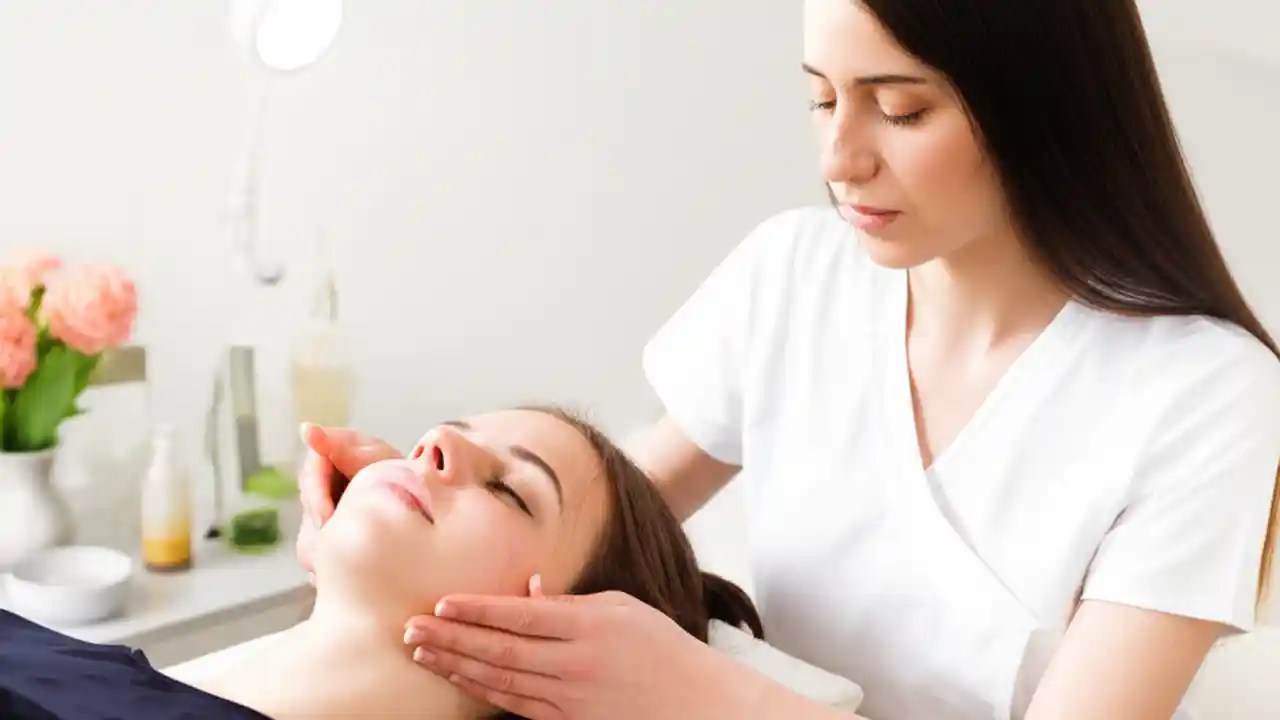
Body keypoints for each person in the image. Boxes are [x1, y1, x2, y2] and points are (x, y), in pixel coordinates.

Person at [297, 1, 1280, 719]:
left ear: (1043, 106)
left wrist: (703, 695)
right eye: (820, 99)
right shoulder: (794, 276)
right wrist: (401, 524)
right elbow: (600, 539)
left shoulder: (1203, 394)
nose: (839, 160)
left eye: (899, 110)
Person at [0, 407, 764, 720]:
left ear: (568, 649)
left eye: (511, 490)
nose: (435, 444)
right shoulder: (73, 666)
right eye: (451, 428)